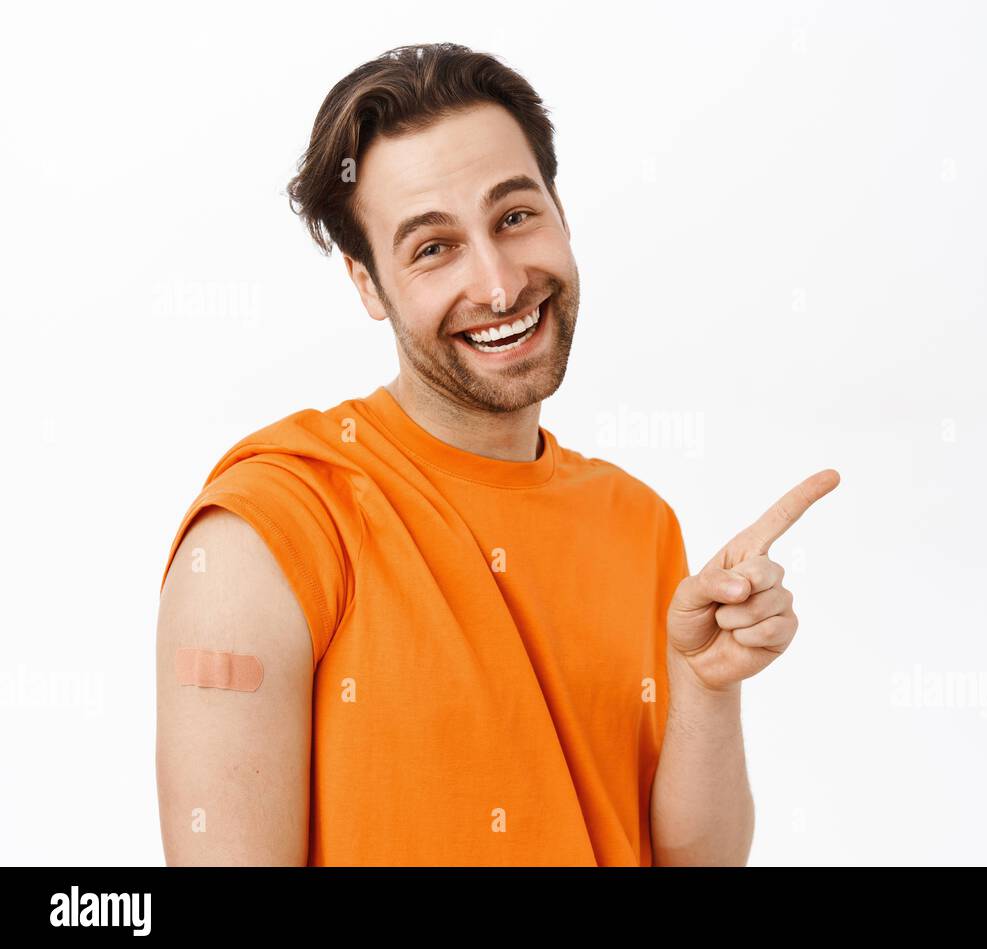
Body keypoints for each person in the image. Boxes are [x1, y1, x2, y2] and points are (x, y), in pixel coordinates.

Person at [155, 42, 839, 866]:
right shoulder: (269, 530)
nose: (499, 283)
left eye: (515, 217)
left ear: (560, 210)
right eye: (433, 247)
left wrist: (704, 686)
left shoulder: (639, 522)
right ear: (367, 285)